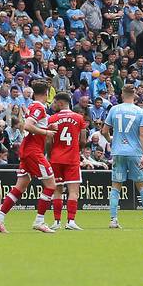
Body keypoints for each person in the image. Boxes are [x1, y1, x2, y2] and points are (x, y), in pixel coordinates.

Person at [0, 78, 58, 234]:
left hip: (28, 150)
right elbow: (28, 126)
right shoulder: (39, 107)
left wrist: (48, 126)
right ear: (47, 93)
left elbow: (30, 125)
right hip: (34, 151)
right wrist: (47, 132)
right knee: (51, 185)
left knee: (20, 186)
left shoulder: (33, 106)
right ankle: (39, 221)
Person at [103, 85, 143, 229]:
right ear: (134, 95)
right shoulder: (139, 111)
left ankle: (113, 220)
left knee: (116, 186)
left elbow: (104, 130)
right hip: (135, 152)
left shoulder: (114, 109)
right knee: (141, 186)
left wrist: (111, 141)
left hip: (118, 152)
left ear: (122, 94)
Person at [47, 92, 87, 230]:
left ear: (61, 103)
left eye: (55, 102)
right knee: (73, 191)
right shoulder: (79, 118)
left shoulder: (52, 119)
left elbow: (48, 140)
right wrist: (77, 149)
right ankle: (70, 221)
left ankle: (56, 222)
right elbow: (83, 140)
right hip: (72, 158)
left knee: (57, 190)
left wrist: (50, 153)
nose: (53, 105)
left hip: (56, 158)